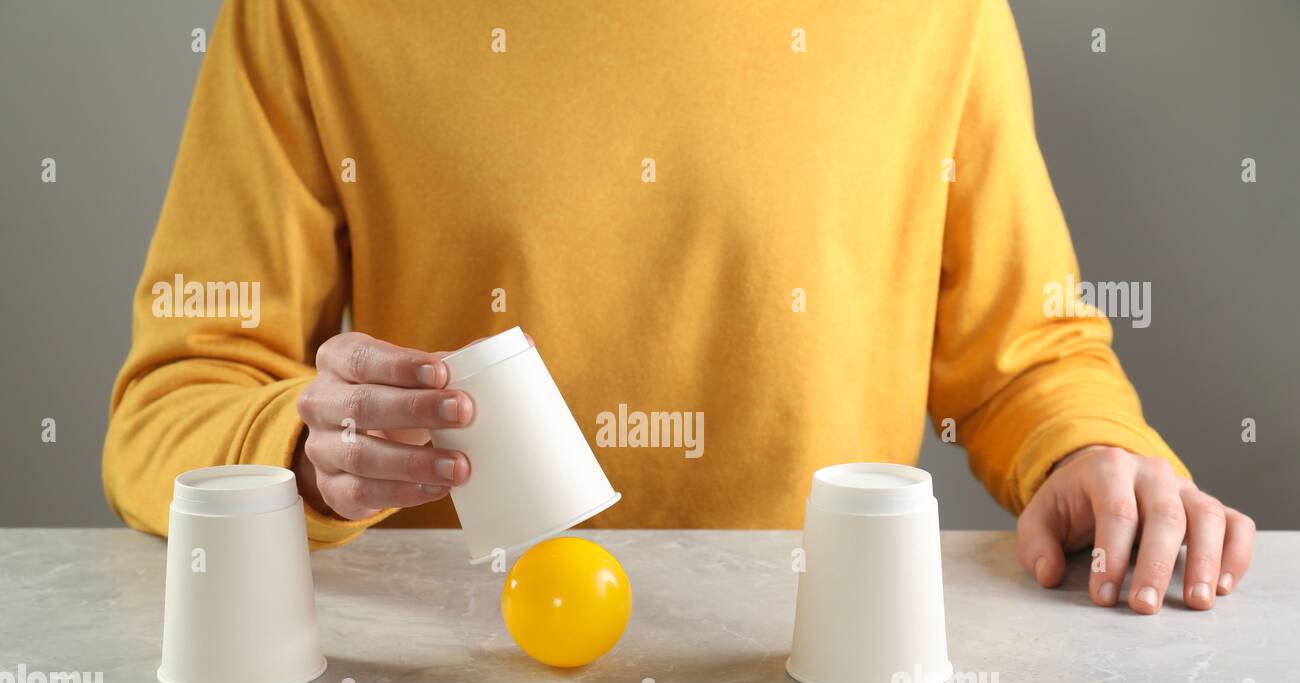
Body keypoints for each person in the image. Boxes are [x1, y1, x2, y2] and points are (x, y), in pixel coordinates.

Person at [104, 0, 1253, 615]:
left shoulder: (935, 11)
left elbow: (1025, 361)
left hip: (818, 676)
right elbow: (175, 401)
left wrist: (1090, 448)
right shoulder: (308, 10)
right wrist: (302, 450)